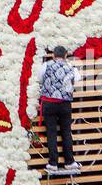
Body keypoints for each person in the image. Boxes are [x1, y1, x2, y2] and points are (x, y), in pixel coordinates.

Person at [34, 45, 80, 173]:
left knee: (51, 133)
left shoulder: (46, 66)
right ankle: (69, 161)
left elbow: (40, 78)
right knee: (66, 132)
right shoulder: (71, 67)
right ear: (66, 56)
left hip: (49, 103)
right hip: (65, 104)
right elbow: (77, 79)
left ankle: (53, 163)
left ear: (53, 55)